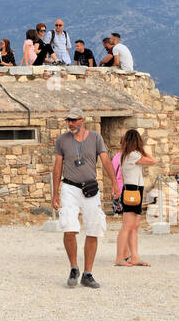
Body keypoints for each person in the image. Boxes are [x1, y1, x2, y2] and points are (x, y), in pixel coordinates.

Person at [51, 110, 115, 288]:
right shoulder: (62, 140)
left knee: (94, 228)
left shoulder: (95, 138)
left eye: (73, 120)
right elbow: (57, 168)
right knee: (69, 227)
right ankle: (73, 267)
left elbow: (106, 161)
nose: (70, 124)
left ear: (82, 120)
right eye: (68, 121)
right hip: (70, 187)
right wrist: (55, 193)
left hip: (90, 188)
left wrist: (115, 183)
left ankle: (88, 273)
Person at [112, 128, 156, 266]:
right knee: (127, 225)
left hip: (134, 190)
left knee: (134, 225)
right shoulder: (133, 155)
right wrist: (142, 149)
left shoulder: (127, 155)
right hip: (132, 190)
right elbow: (153, 160)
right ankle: (120, 257)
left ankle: (134, 256)